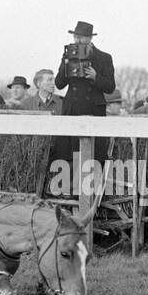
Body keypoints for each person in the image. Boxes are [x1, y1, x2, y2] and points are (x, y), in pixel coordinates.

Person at [52, 19, 115, 178]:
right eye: (76, 37)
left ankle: (93, 191)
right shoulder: (68, 54)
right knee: (67, 150)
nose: (78, 40)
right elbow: (59, 84)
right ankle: (66, 190)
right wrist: (67, 65)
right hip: (72, 108)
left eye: (82, 37)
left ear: (90, 38)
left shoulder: (104, 57)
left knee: (95, 153)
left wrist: (96, 77)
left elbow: (110, 87)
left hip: (93, 109)